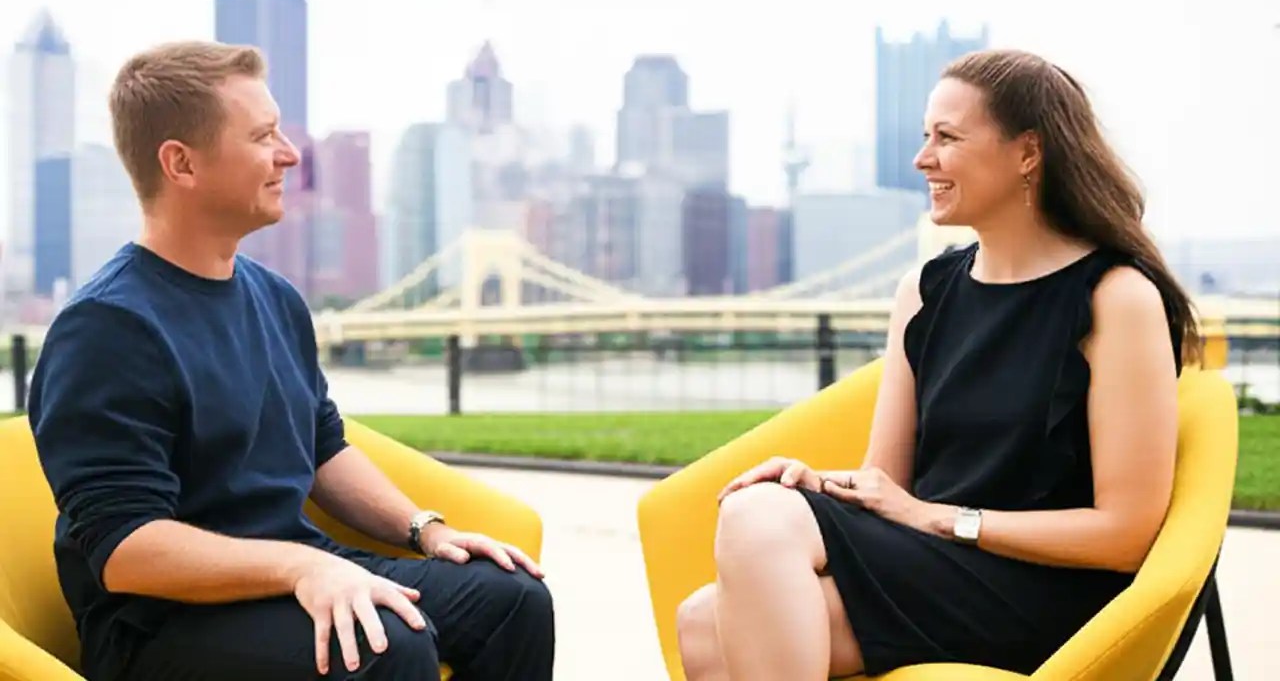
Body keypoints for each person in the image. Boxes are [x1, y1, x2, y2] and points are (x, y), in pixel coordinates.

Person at [28, 40, 554, 681]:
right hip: (160, 625)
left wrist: (426, 531)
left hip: (295, 564)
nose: (290, 154)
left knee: (515, 601)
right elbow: (126, 551)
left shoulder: (274, 297)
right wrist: (301, 567)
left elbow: (323, 447)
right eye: (263, 136)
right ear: (181, 164)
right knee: (387, 647)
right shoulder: (106, 328)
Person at [675, 48, 1200, 679]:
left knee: (752, 523)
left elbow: (1125, 536)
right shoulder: (925, 290)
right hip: (932, 563)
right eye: (926, 137)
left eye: (947, 138)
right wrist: (822, 487)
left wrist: (944, 520)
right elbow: (885, 486)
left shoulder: (1116, 297)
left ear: (1027, 153)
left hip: (1047, 590)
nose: (923, 159)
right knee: (703, 616)